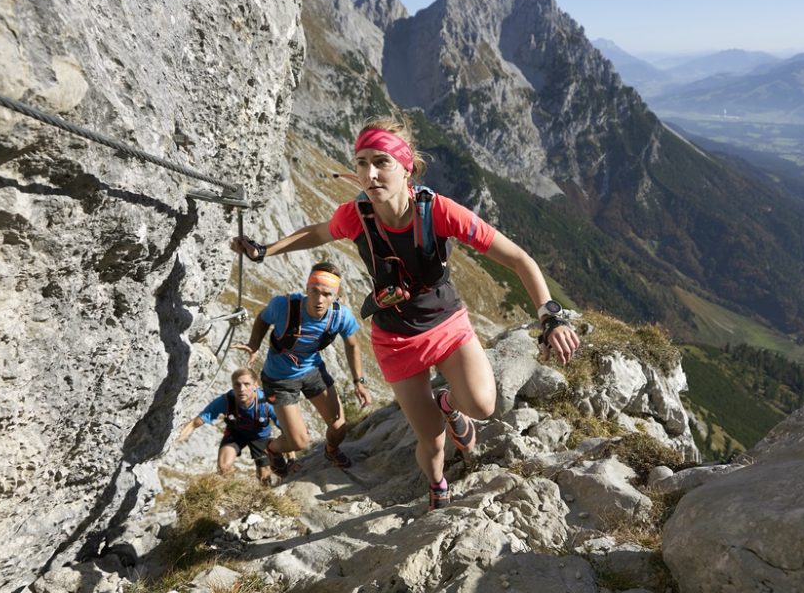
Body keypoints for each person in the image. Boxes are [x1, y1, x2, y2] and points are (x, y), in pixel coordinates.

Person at [231, 115, 580, 510]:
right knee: (430, 439)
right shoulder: (356, 216)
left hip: (447, 324)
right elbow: (318, 232)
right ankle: (437, 485)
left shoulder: (440, 212)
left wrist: (550, 316)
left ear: (406, 166)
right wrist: (266, 249)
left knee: (483, 406)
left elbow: (518, 259)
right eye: (362, 162)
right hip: (395, 340)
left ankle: (449, 403)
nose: (370, 173)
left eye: (381, 162)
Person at [234, 262, 372, 477]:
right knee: (298, 441)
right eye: (314, 291)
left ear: (335, 296)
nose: (319, 300)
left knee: (339, 427)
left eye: (326, 294)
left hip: (312, 371)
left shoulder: (340, 316)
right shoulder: (284, 306)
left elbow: (353, 345)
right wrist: (254, 344)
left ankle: (331, 450)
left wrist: (358, 382)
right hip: (278, 380)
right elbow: (262, 318)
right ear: (306, 288)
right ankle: (271, 448)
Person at [173, 368, 282, 483]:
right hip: (236, 433)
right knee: (223, 467)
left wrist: (291, 456)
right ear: (233, 386)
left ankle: (264, 495)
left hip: (259, 436)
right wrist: (174, 439)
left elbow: (285, 428)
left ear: (255, 385)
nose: (242, 389)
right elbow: (196, 422)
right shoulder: (226, 400)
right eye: (237, 384)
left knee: (263, 473)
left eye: (246, 384)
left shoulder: (266, 402)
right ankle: (232, 492)